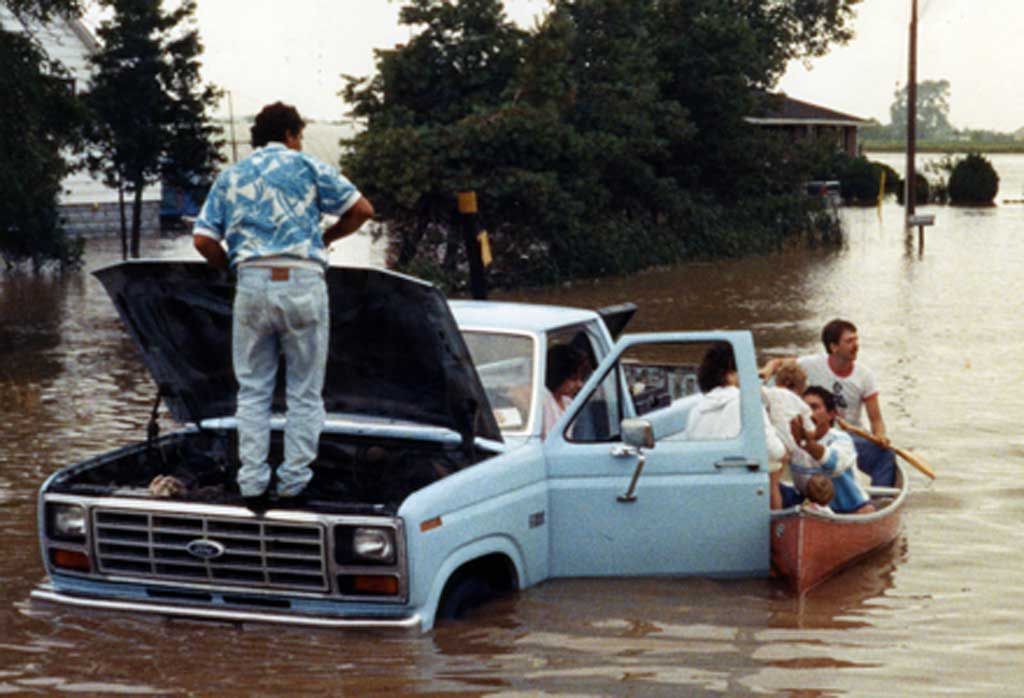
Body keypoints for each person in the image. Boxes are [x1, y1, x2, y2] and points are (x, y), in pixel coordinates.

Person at [192, 101, 374, 512]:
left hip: (253, 281)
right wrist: (325, 238)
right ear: (291, 135)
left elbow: (203, 240)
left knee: (253, 390)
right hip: (303, 280)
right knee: (305, 391)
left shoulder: (231, 176)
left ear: (257, 137)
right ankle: (294, 485)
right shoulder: (307, 166)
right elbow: (362, 210)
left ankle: (252, 484)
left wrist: (233, 269)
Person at [762, 319, 896, 486]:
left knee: (885, 456)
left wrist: (880, 436)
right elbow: (777, 363)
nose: (856, 345)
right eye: (849, 341)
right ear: (834, 347)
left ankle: (879, 500)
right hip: (815, 434)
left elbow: (876, 419)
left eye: (856, 340)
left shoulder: (865, 376)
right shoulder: (811, 363)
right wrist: (766, 371)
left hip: (849, 437)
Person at [684, 343, 785, 504]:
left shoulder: (696, 410)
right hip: (742, 491)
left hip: (704, 490)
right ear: (730, 375)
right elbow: (775, 450)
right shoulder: (746, 403)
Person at [787, 386, 873, 514]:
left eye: (814, 407)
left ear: (831, 414)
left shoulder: (842, 439)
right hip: (811, 511)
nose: (808, 413)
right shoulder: (791, 440)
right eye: (804, 408)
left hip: (852, 510)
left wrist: (805, 443)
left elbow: (833, 463)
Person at [761, 359, 815, 509]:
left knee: (772, 486)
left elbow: (752, 388)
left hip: (776, 445)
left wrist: (768, 370)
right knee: (775, 485)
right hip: (790, 448)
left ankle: (775, 519)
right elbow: (811, 432)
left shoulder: (772, 393)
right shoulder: (802, 404)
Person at [542, 344, 587, 438]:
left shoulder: (568, 403)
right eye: (574, 379)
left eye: (580, 378)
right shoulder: (543, 401)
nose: (579, 384)